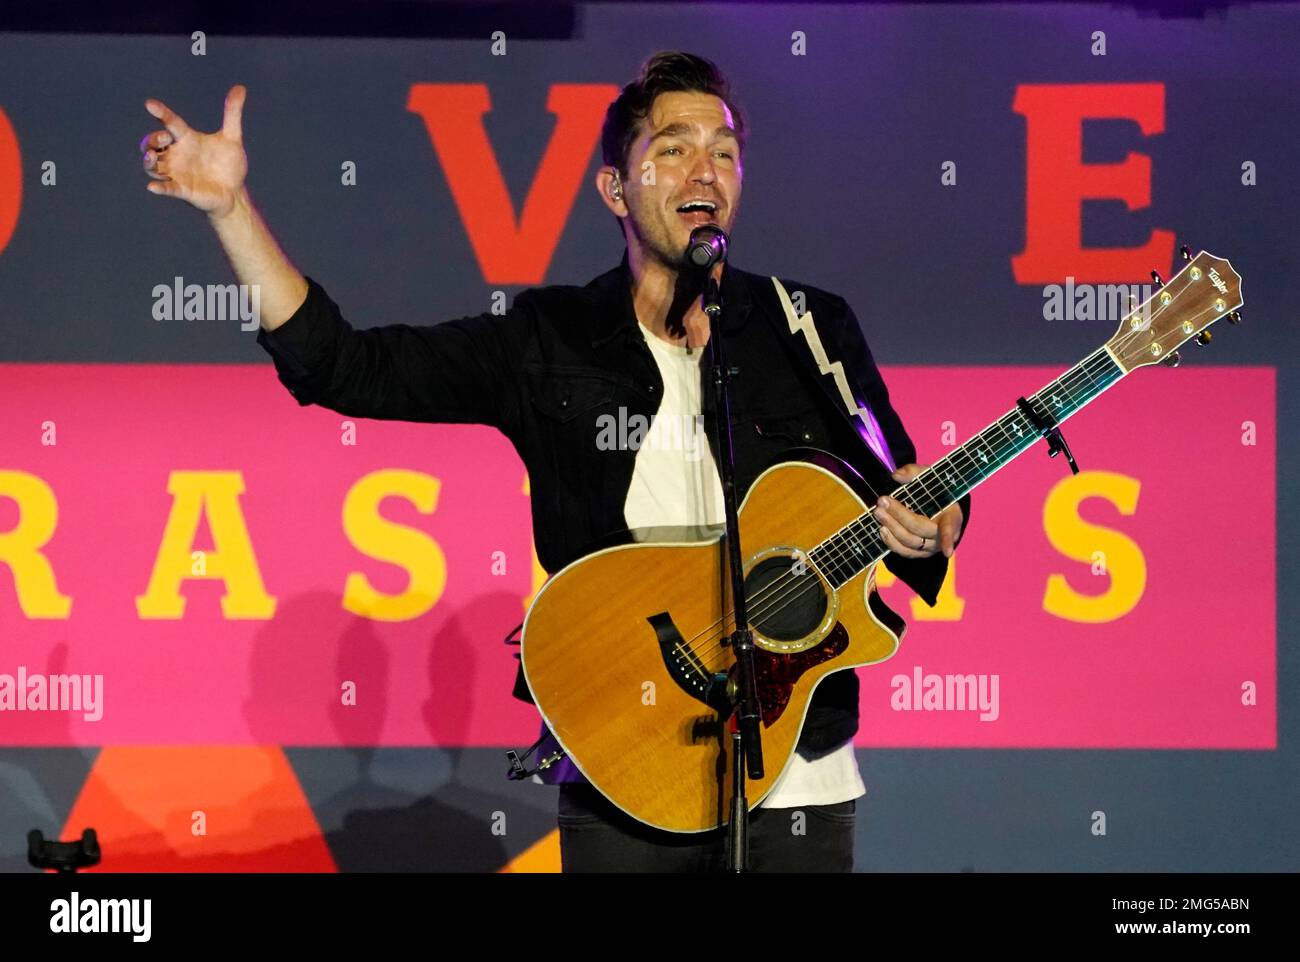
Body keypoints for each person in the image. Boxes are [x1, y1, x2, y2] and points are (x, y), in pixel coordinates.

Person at [140, 51, 969, 873]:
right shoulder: (548, 340)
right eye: (674, 148)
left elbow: (900, 482)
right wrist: (229, 210)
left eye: (724, 151)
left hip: (797, 772)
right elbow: (345, 367)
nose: (704, 169)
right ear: (616, 188)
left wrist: (936, 526)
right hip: (622, 754)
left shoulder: (810, 328)